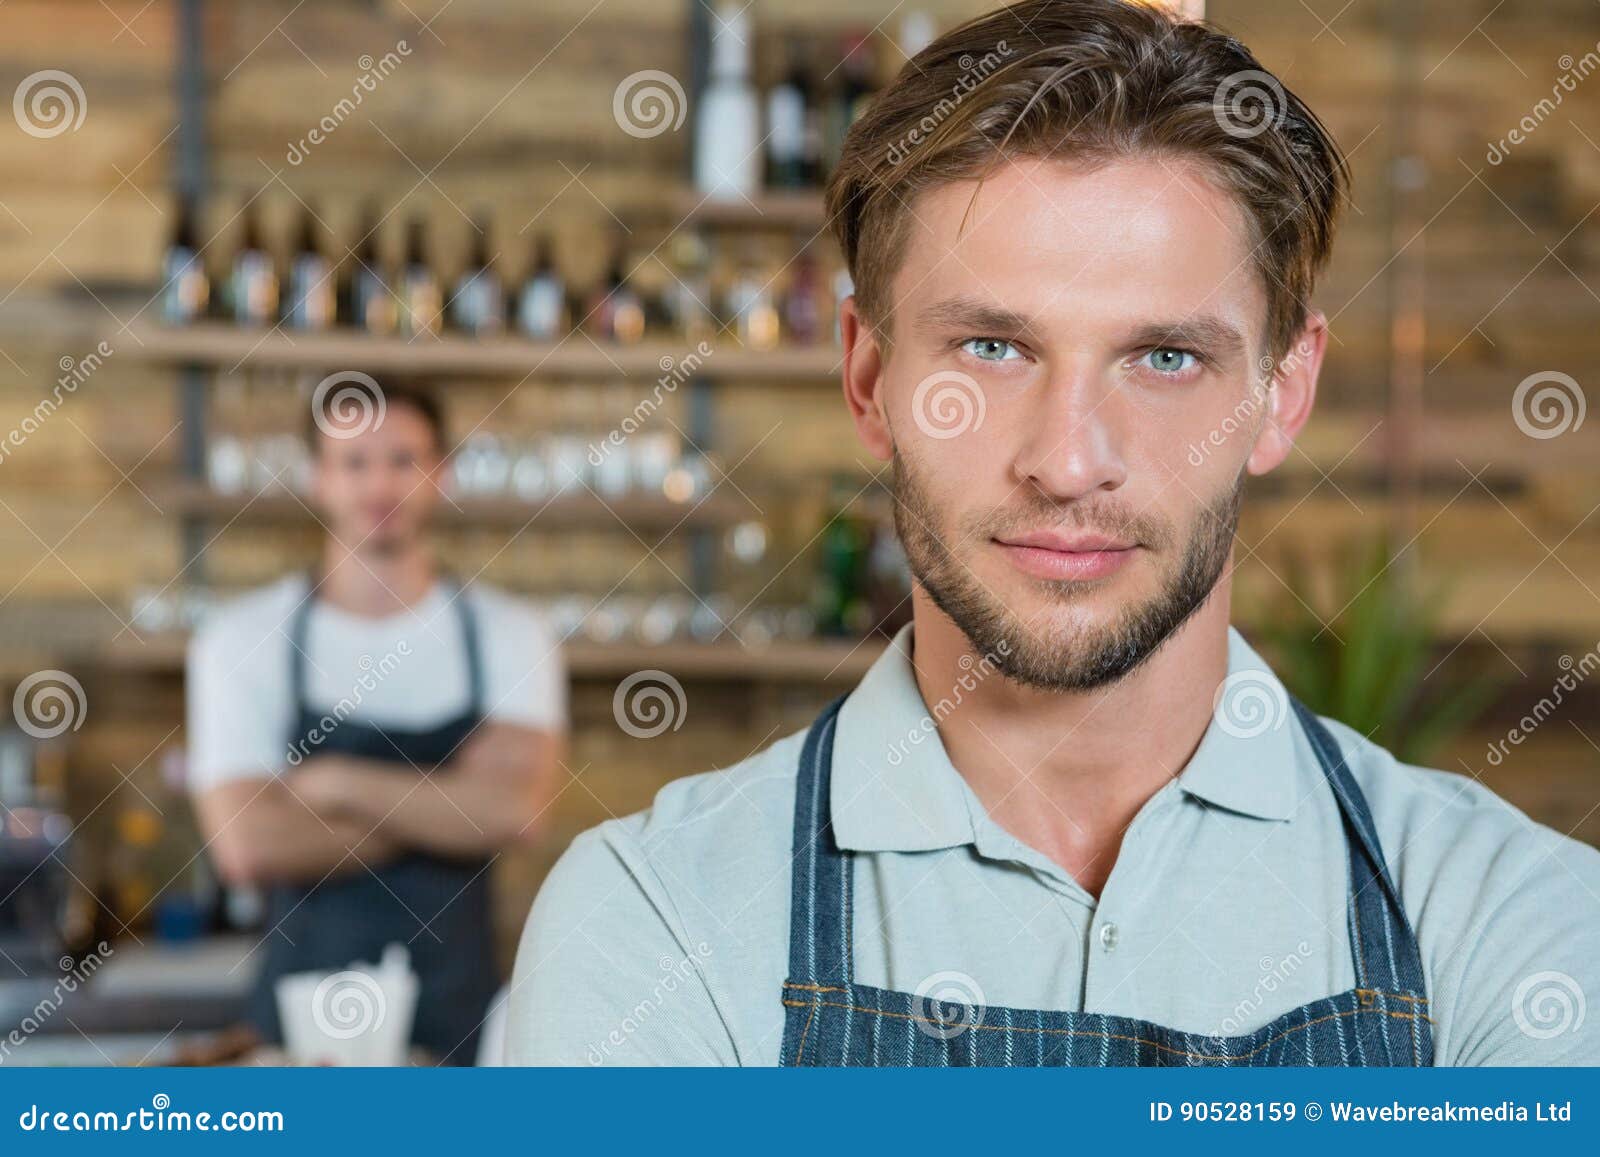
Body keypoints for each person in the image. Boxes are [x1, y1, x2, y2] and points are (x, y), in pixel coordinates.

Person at [507, 0, 1600, 1066]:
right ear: (868, 374)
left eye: (1164, 357)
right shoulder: (658, 919)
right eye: (992, 347)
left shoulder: (1516, 921)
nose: (1068, 460)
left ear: (1281, 391)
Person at [187, 378, 566, 1064]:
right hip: (294, 1044)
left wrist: (330, 781)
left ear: (442, 474)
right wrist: (449, 805)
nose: (380, 484)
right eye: (355, 462)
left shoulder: (512, 633)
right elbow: (246, 844)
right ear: (317, 478)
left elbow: (517, 811)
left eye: (403, 459)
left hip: (464, 1033)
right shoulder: (241, 638)